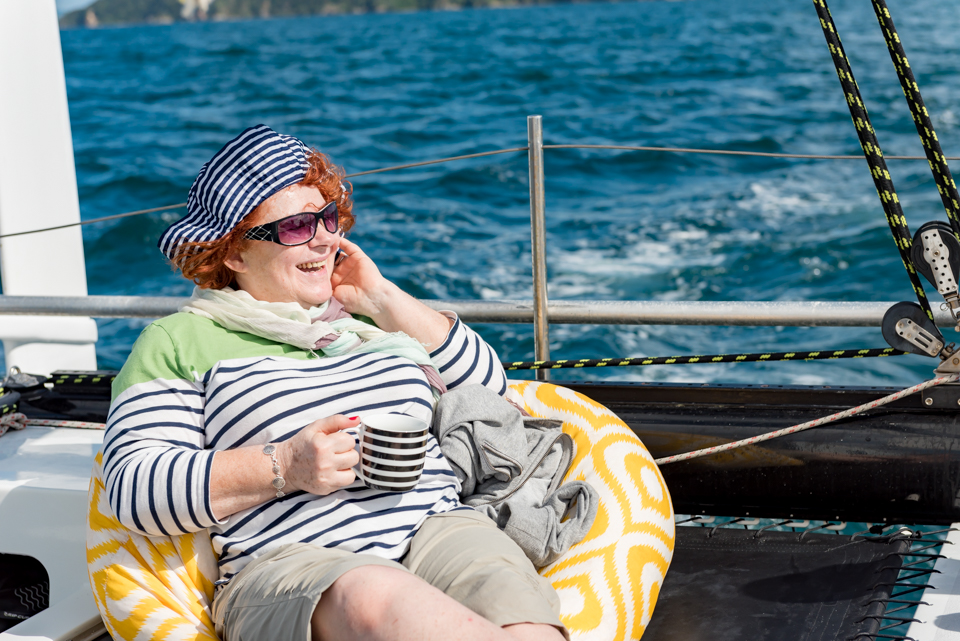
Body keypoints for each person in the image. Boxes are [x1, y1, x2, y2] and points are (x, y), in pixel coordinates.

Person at [102, 125, 568, 641]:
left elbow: (488, 388)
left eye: (328, 218)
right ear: (232, 253)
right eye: (298, 227)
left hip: (437, 527)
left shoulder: (363, 317)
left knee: (515, 604)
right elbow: (131, 490)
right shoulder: (179, 340)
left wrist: (384, 298)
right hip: (294, 563)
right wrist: (284, 466)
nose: (326, 238)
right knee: (370, 594)